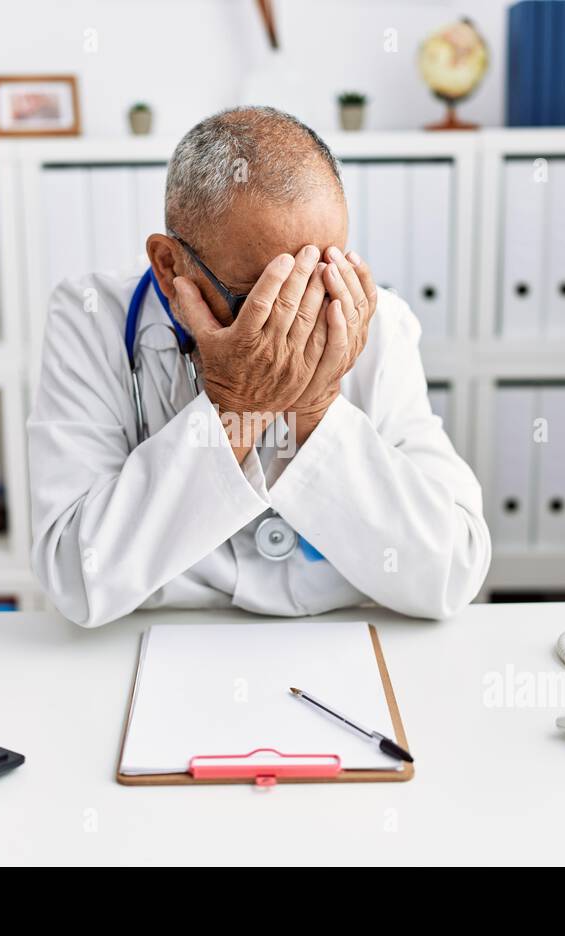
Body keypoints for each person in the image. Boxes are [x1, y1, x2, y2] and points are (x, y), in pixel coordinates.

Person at [28, 106, 490, 627]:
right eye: (261, 295)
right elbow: (74, 577)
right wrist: (235, 405)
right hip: (156, 640)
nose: (298, 320)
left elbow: (453, 571)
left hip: (340, 640)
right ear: (169, 264)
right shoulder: (91, 318)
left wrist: (314, 411)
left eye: (320, 277)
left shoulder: (374, 323)